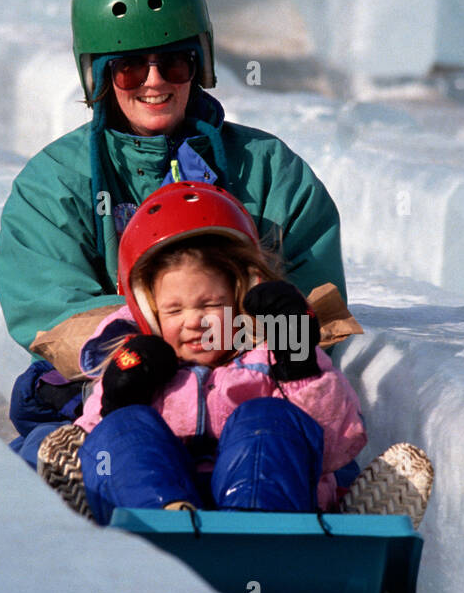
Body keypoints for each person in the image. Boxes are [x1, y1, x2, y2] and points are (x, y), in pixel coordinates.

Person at [0, 0, 359, 465]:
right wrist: (148, 349)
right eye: (127, 69)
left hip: (248, 390)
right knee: (44, 451)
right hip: (114, 391)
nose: (154, 81)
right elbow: (45, 307)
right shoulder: (54, 181)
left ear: (201, 62)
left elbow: (317, 297)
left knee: (291, 443)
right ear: (97, 76)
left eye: (173, 61)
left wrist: (232, 344)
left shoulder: (268, 168)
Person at [39, 181, 367, 523]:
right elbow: (104, 456)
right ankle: (165, 519)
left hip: (267, 519)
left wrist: (299, 363)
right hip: (156, 519)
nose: (194, 322)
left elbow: (336, 448)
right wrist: (119, 403)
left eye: (211, 304)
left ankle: (258, 521)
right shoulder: (139, 367)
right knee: (125, 426)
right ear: (149, 312)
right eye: (174, 311)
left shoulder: (273, 361)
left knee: (266, 417)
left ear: (241, 299)